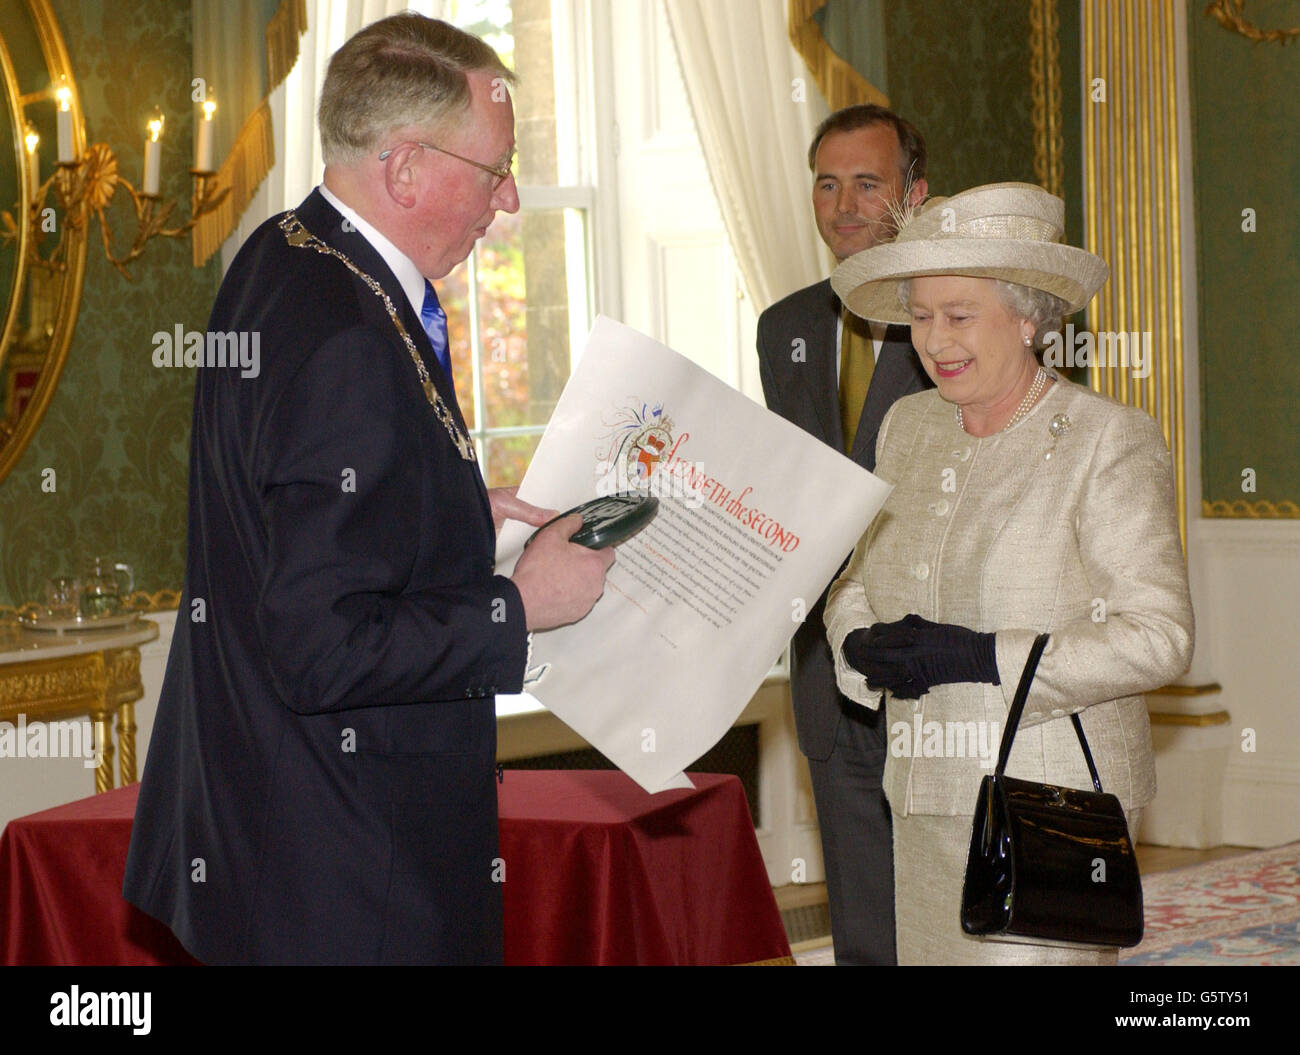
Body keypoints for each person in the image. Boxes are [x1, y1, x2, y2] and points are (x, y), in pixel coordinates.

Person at [123, 13, 612, 965]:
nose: (509, 199)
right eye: (495, 168)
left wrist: (464, 511)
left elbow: (294, 522)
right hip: (346, 878)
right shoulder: (346, 331)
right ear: (405, 169)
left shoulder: (282, 254)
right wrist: (519, 607)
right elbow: (318, 645)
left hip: (276, 845)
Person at [823, 182, 1194, 964]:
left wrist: (984, 655)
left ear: (1028, 316)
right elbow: (857, 579)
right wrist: (858, 640)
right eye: (920, 316)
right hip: (923, 797)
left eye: (960, 316)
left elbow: (1159, 637)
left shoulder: (1106, 441)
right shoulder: (909, 426)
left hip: (1047, 808)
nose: (934, 340)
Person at [755, 104, 930, 964]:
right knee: (864, 919)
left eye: (868, 182)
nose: (845, 204)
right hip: (826, 667)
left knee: (953, 910)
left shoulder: (962, 323)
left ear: (914, 195)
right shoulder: (783, 328)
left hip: (939, 666)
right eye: (829, 183)